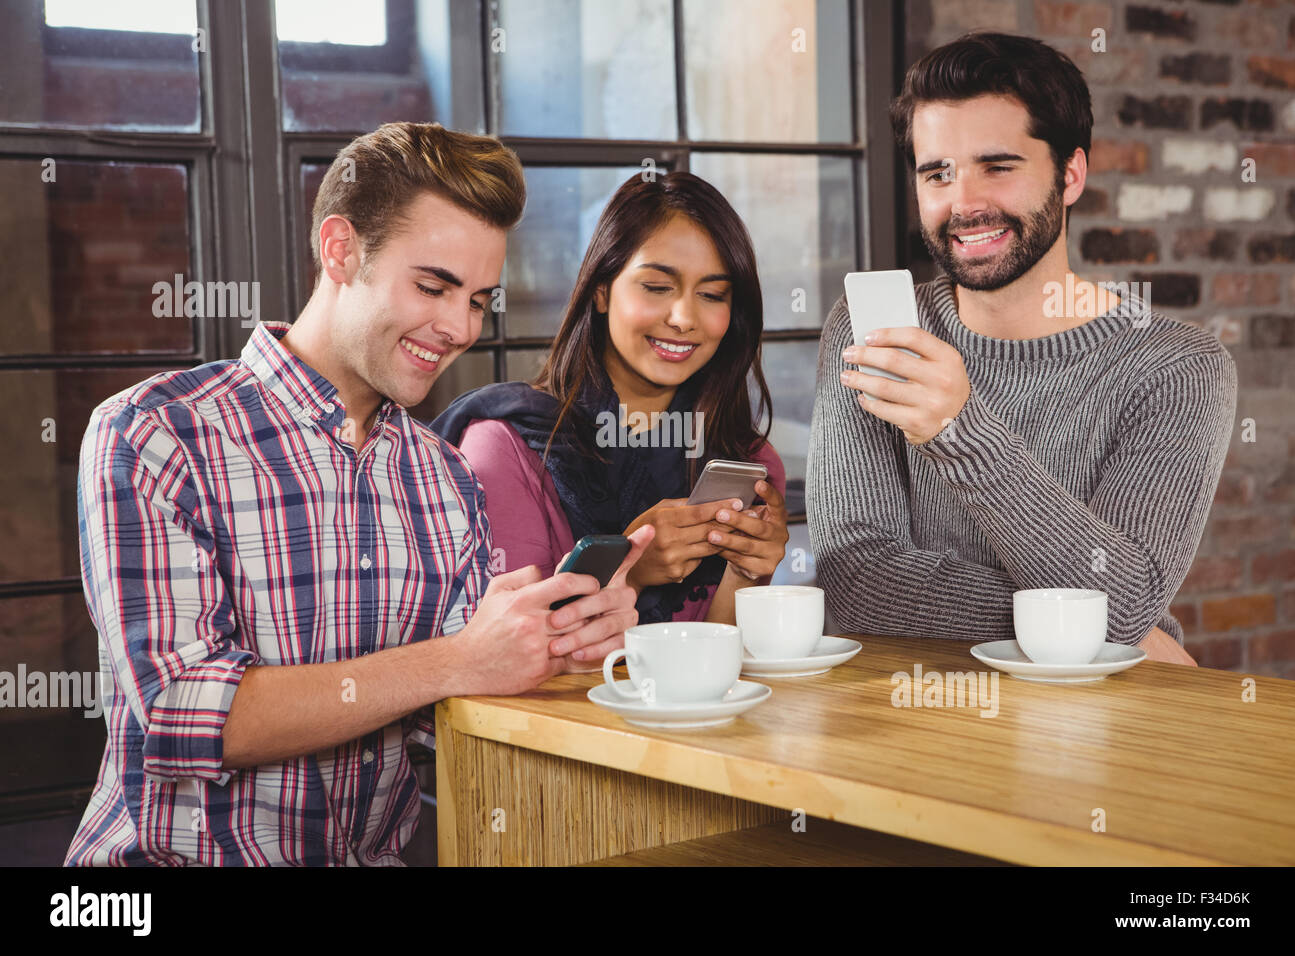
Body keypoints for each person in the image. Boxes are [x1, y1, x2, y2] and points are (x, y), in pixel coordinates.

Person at [66, 122, 652, 866]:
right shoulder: (156, 434)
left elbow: (449, 710)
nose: (458, 326)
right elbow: (186, 713)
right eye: (433, 286)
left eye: (478, 299)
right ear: (340, 249)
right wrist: (457, 660)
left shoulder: (443, 477)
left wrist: (560, 644)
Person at [808, 33, 1236, 665]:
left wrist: (959, 428)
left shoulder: (1176, 367)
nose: (965, 203)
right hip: (917, 717)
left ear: (1070, 174)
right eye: (938, 173)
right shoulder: (871, 332)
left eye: (998, 166)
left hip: (1100, 722)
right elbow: (854, 586)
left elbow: (1118, 606)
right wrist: (1091, 625)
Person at [433, 171, 789, 627]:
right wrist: (631, 571)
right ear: (602, 290)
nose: (683, 318)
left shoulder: (749, 463)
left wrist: (748, 570)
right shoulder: (505, 448)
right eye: (657, 287)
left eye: (712, 294)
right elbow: (510, 654)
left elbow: (722, 665)